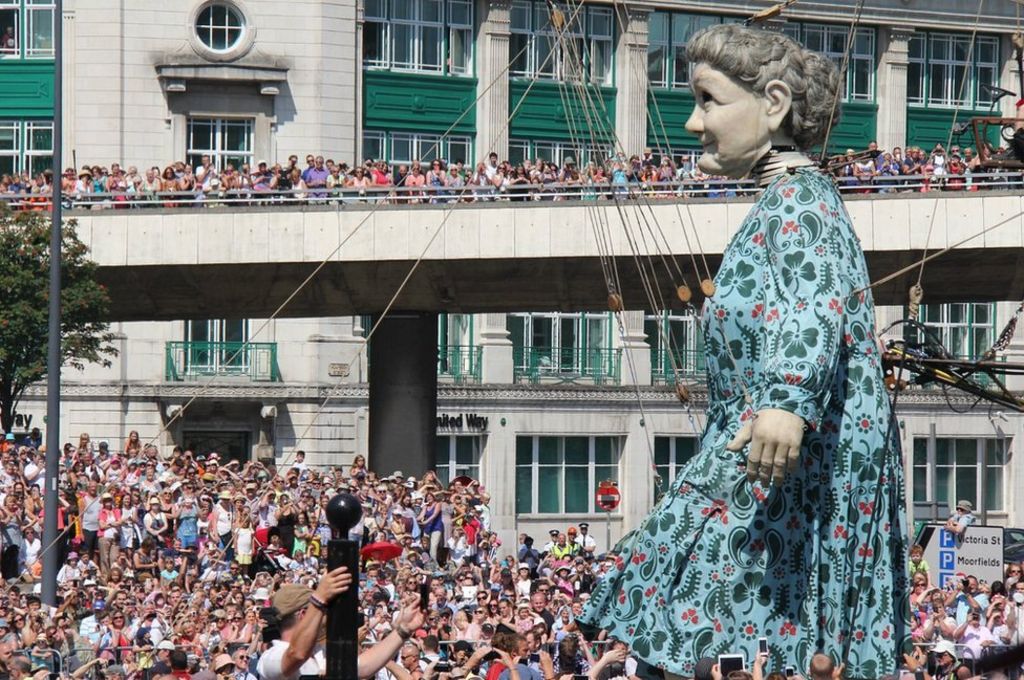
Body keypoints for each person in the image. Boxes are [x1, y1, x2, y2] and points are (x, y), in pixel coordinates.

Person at [578, 23, 908, 680]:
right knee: (690, 596)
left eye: (708, 100)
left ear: (774, 104)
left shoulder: (802, 200)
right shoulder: (783, 200)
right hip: (763, 448)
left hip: (788, 453)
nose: (693, 122)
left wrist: (787, 400)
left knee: (699, 593)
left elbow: (811, 299)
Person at [256, 566, 426, 680]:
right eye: (322, 610)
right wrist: (319, 599)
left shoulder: (321, 653)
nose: (326, 615)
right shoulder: (271, 657)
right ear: (304, 614)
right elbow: (296, 655)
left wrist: (404, 630)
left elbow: (365, 666)